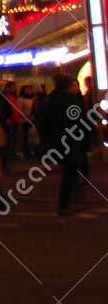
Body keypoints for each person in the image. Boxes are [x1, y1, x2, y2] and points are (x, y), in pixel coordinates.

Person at [37, 75, 90, 216]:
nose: (76, 88)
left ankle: (69, 201)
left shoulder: (52, 100)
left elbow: (44, 121)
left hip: (59, 139)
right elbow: (80, 121)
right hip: (70, 139)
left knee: (70, 169)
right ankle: (65, 203)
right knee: (71, 170)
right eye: (73, 86)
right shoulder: (70, 101)